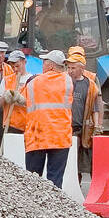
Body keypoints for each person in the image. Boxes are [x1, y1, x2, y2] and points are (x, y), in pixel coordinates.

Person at [22, 50, 74, 186]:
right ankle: (55, 206)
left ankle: (34, 205)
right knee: (55, 181)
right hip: (60, 137)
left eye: (44, 62)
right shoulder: (68, 81)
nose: (42, 65)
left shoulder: (34, 82)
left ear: (51, 65)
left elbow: (23, 100)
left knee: (33, 181)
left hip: (37, 135)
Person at [67, 51, 103, 177]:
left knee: (79, 161)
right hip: (65, 128)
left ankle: (78, 180)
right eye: (69, 67)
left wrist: (97, 125)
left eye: (73, 68)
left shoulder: (90, 85)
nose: (70, 71)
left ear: (82, 68)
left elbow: (95, 107)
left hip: (81, 129)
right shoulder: (64, 81)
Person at [1, 50, 32, 136]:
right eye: (12, 67)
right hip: (10, 125)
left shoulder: (33, 80)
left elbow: (37, 104)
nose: (15, 69)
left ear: (24, 62)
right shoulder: (7, 80)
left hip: (28, 126)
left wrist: (23, 101)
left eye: (17, 66)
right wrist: (4, 97)